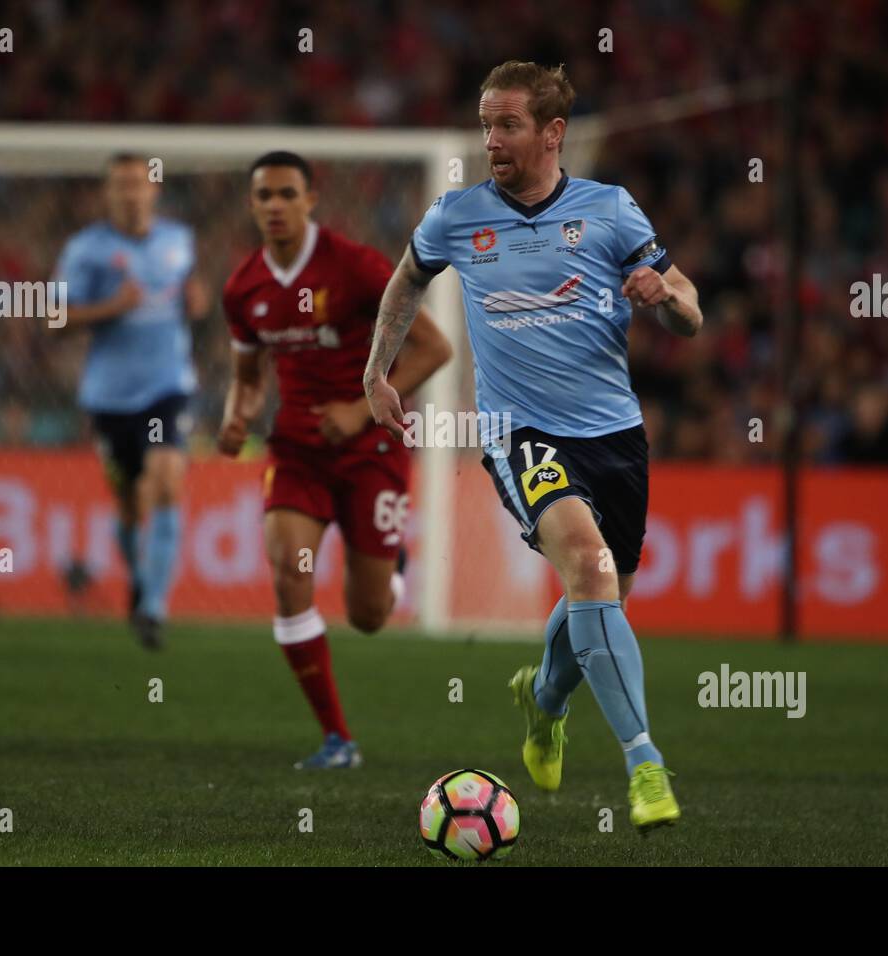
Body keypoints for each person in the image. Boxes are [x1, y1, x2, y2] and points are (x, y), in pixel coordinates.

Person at [362, 63, 703, 830]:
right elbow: (407, 280)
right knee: (588, 564)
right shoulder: (458, 214)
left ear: (553, 134)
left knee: (602, 591)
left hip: (615, 435)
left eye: (508, 125)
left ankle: (543, 700)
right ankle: (645, 764)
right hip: (520, 433)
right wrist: (377, 371)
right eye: (486, 125)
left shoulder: (609, 211)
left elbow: (690, 309)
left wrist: (665, 300)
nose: (492, 141)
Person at [219, 151, 452, 769]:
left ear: (309, 199)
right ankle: (337, 740)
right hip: (296, 450)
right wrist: (235, 414)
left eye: (285, 194)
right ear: (252, 204)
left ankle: (392, 565)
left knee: (369, 615)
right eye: (263, 195)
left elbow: (434, 348)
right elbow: (247, 378)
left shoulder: (353, 267)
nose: (273, 205)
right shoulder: (243, 287)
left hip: (369, 448)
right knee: (290, 580)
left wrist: (357, 408)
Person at [53, 152, 210, 649]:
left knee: (165, 480)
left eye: (138, 184)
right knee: (128, 505)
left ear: (153, 190)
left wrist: (195, 302)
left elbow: (188, 294)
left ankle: (154, 608)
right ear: (107, 193)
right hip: (110, 397)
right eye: (119, 185)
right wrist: (110, 308)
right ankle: (140, 575)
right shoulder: (86, 251)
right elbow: (53, 320)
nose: (130, 193)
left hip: (168, 387)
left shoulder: (178, 241)